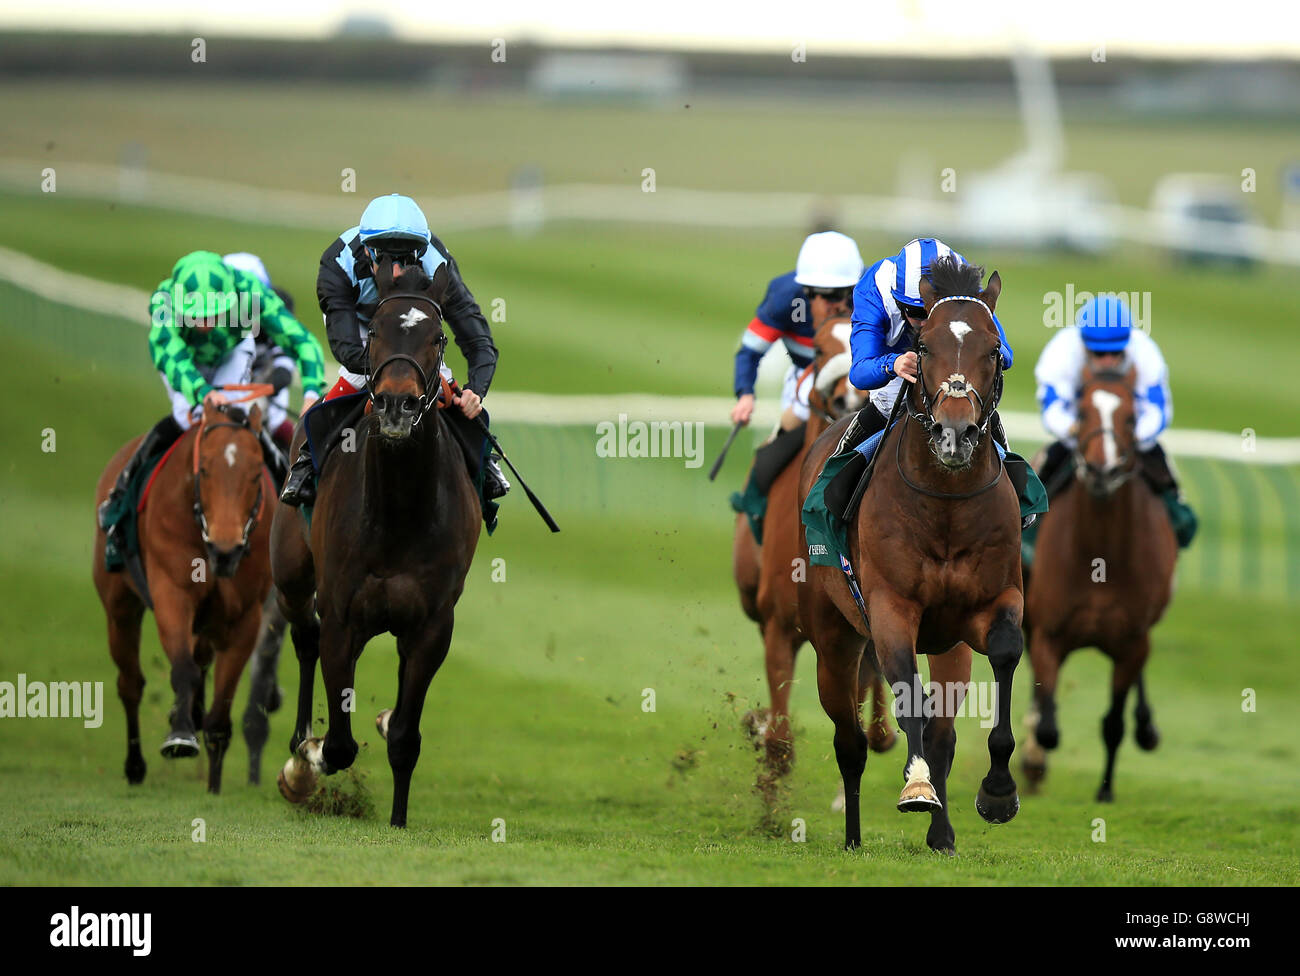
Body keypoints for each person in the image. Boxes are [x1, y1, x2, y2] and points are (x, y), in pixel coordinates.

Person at [279, 193, 509, 515]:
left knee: (441, 382)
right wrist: (388, 370)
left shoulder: (437, 262)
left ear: (421, 253)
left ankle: (484, 462)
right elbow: (346, 346)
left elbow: (477, 338)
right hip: (361, 328)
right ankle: (307, 459)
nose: (398, 272)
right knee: (358, 376)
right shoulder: (338, 263)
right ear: (368, 251)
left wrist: (474, 391)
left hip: (413, 327)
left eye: (407, 260)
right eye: (387, 261)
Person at [98, 250, 327, 558]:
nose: (205, 322)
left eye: (213, 313)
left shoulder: (250, 294)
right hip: (186, 362)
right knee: (187, 418)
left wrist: (312, 391)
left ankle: (292, 494)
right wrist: (202, 392)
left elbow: (303, 342)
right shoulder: (164, 302)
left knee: (236, 425)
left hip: (232, 353)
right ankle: (121, 498)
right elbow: (170, 357)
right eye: (197, 315)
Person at [827, 237, 1037, 528]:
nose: (926, 323)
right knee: (841, 469)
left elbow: (1007, 355)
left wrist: (972, 345)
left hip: (950, 370)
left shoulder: (965, 286)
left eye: (931, 313)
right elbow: (860, 371)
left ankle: (1020, 499)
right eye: (915, 313)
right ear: (897, 300)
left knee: (982, 416)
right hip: (895, 375)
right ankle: (831, 498)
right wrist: (893, 363)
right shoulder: (873, 289)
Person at [1034, 294, 1194, 545]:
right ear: (1084, 345)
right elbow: (1052, 408)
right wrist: (1075, 430)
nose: (1107, 360)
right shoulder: (1061, 352)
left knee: (1164, 472)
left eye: (1115, 352)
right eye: (1098, 353)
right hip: (1079, 436)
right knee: (1044, 468)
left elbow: (1158, 411)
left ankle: (1176, 519)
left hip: (1129, 436)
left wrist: (1131, 437)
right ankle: (1029, 527)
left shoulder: (1146, 354)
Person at [222, 252, 316, 451]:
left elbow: (283, 367)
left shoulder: (278, 311)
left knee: (278, 426)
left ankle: (299, 470)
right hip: (221, 384)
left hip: (264, 381)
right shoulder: (207, 316)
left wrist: (262, 389)